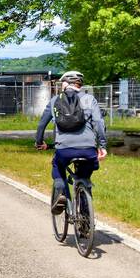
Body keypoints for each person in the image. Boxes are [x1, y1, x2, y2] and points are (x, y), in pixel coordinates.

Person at [36, 71, 107, 214]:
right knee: (84, 176)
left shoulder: (55, 100)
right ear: (79, 84)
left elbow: (41, 125)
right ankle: (86, 219)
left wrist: (39, 142)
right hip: (88, 149)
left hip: (64, 150)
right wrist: (102, 145)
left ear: (66, 83)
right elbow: (99, 123)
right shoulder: (89, 99)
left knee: (57, 166)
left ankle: (61, 192)